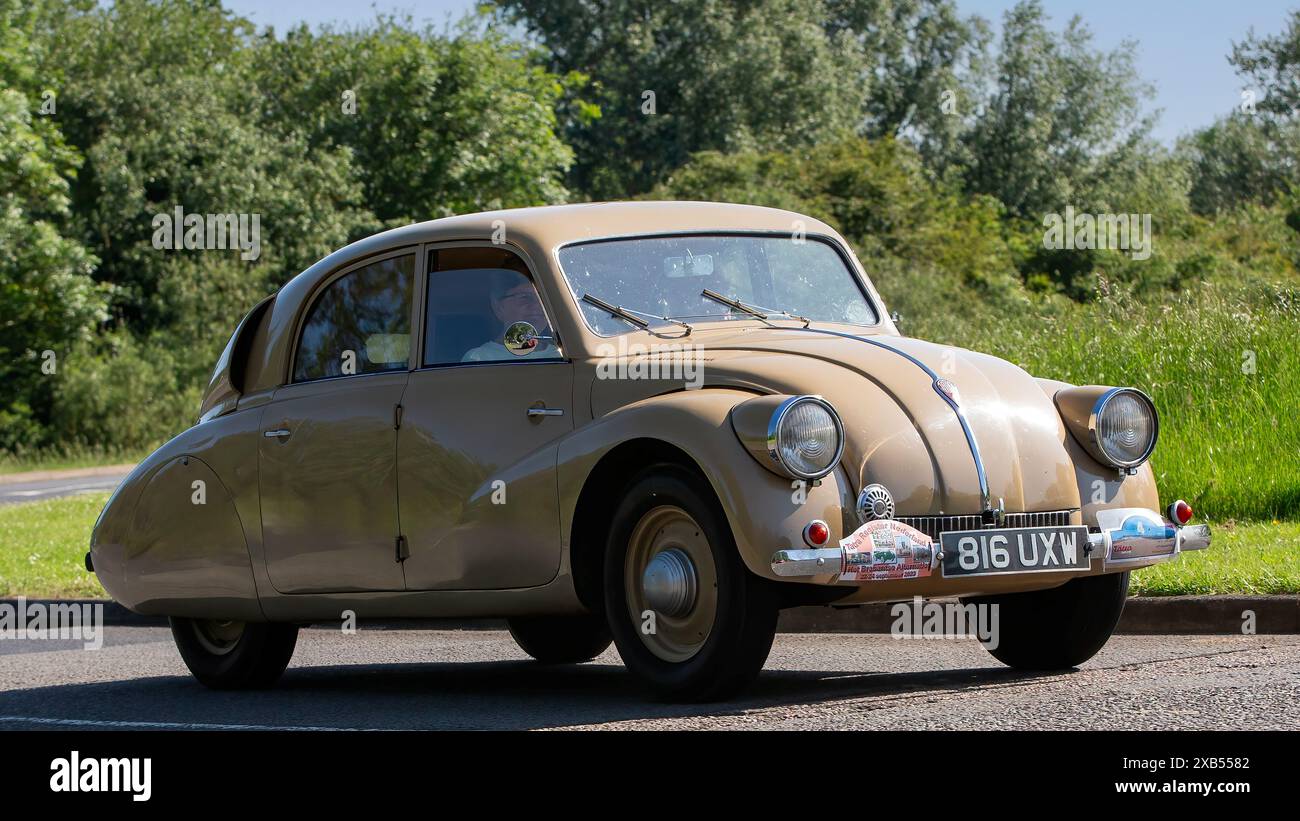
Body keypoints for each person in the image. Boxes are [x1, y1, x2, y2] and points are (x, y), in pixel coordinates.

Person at [461, 273, 555, 362]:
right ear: (498, 306)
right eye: (524, 297)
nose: (537, 305)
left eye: (542, 298)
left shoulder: (562, 353)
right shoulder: (479, 358)